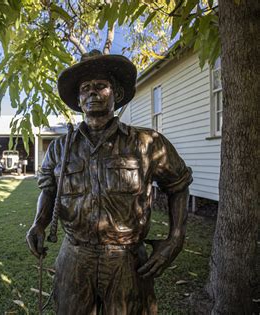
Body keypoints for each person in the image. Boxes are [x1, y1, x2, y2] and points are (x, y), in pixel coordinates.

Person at [26, 50, 192, 314]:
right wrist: (38, 224)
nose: (93, 92)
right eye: (85, 88)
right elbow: (48, 191)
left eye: (101, 86)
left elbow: (178, 185)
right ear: (79, 99)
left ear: (117, 94)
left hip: (126, 260)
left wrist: (175, 238)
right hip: (75, 256)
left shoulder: (147, 143)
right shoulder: (59, 149)